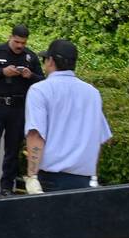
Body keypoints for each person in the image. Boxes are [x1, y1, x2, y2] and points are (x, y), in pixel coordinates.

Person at [22, 39, 112, 193]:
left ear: (50, 61)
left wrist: (32, 176)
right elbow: (101, 137)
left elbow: (36, 134)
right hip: (84, 179)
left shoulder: (40, 90)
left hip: (51, 178)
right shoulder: (92, 93)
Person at [0, 24, 42, 196]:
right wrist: (2, 72)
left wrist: (31, 76)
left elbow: (42, 80)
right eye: (17, 42)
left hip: (18, 107)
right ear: (10, 37)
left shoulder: (30, 57)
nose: (20, 46)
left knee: (12, 150)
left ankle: (6, 188)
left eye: (23, 43)